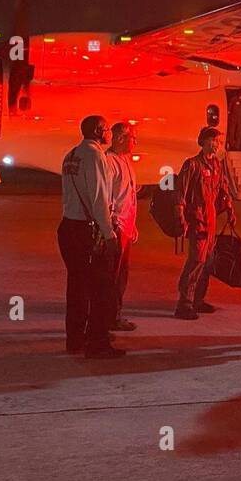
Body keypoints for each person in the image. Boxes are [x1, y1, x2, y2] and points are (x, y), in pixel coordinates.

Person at [58, 115, 124, 359]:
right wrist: (109, 234)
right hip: (86, 230)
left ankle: (74, 340)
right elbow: (98, 198)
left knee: (76, 288)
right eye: (107, 129)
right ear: (98, 130)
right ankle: (97, 342)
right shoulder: (95, 156)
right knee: (102, 288)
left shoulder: (71, 155)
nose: (109, 133)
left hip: (68, 226)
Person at [173, 126, 236, 320]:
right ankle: (184, 304)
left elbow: (223, 188)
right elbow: (180, 195)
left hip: (211, 221)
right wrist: (182, 220)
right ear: (204, 141)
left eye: (218, 141)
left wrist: (231, 210)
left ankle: (198, 300)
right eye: (214, 141)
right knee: (196, 261)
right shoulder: (192, 165)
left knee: (207, 262)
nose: (217, 145)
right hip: (197, 221)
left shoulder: (216, 165)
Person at [106, 120, 139, 332]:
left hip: (126, 227)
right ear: (120, 138)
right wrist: (112, 226)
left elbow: (129, 196)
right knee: (112, 275)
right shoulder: (109, 162)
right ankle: (108, 317)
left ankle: (114, 314)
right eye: (132, 138)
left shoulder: (125, 161)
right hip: (116, 227)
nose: (135, 142)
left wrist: (132, 227)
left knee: (121, 275)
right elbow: (107, 196)